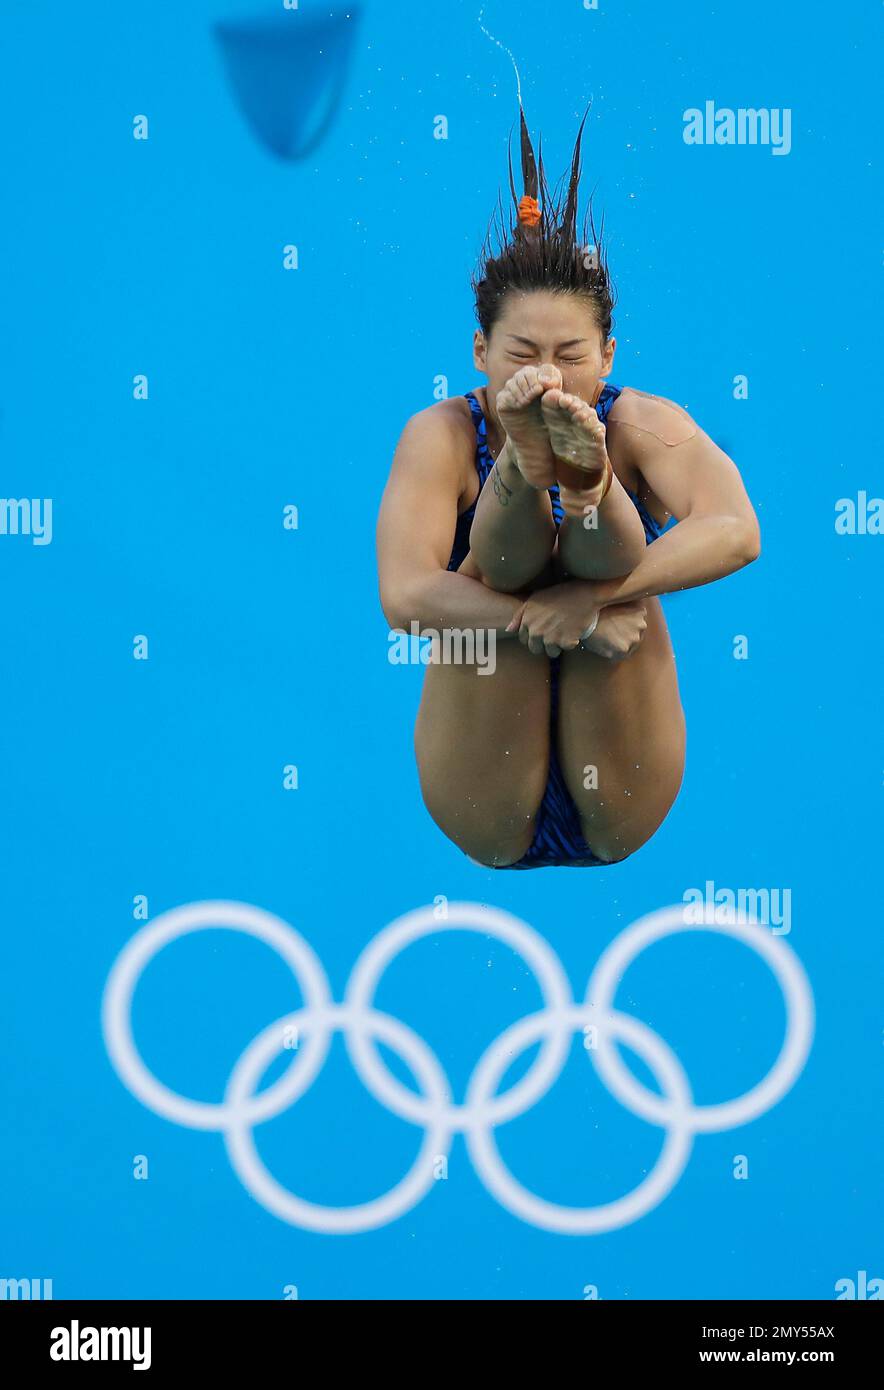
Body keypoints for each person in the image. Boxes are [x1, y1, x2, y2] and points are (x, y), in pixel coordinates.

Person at [376, 106, 760, 869]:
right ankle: (528, 467)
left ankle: (581, 484)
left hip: (621, 785)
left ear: (609, 355)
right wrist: (552, 621)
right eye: (521, 351)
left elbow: (737, 529)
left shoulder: (646, 421)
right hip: (486, 790)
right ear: (480, 349)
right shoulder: (440, 434)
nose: (546, 372)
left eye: (570, 354)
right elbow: (405, 598)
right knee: (495, 567)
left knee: (610, 567)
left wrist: (595, 600)